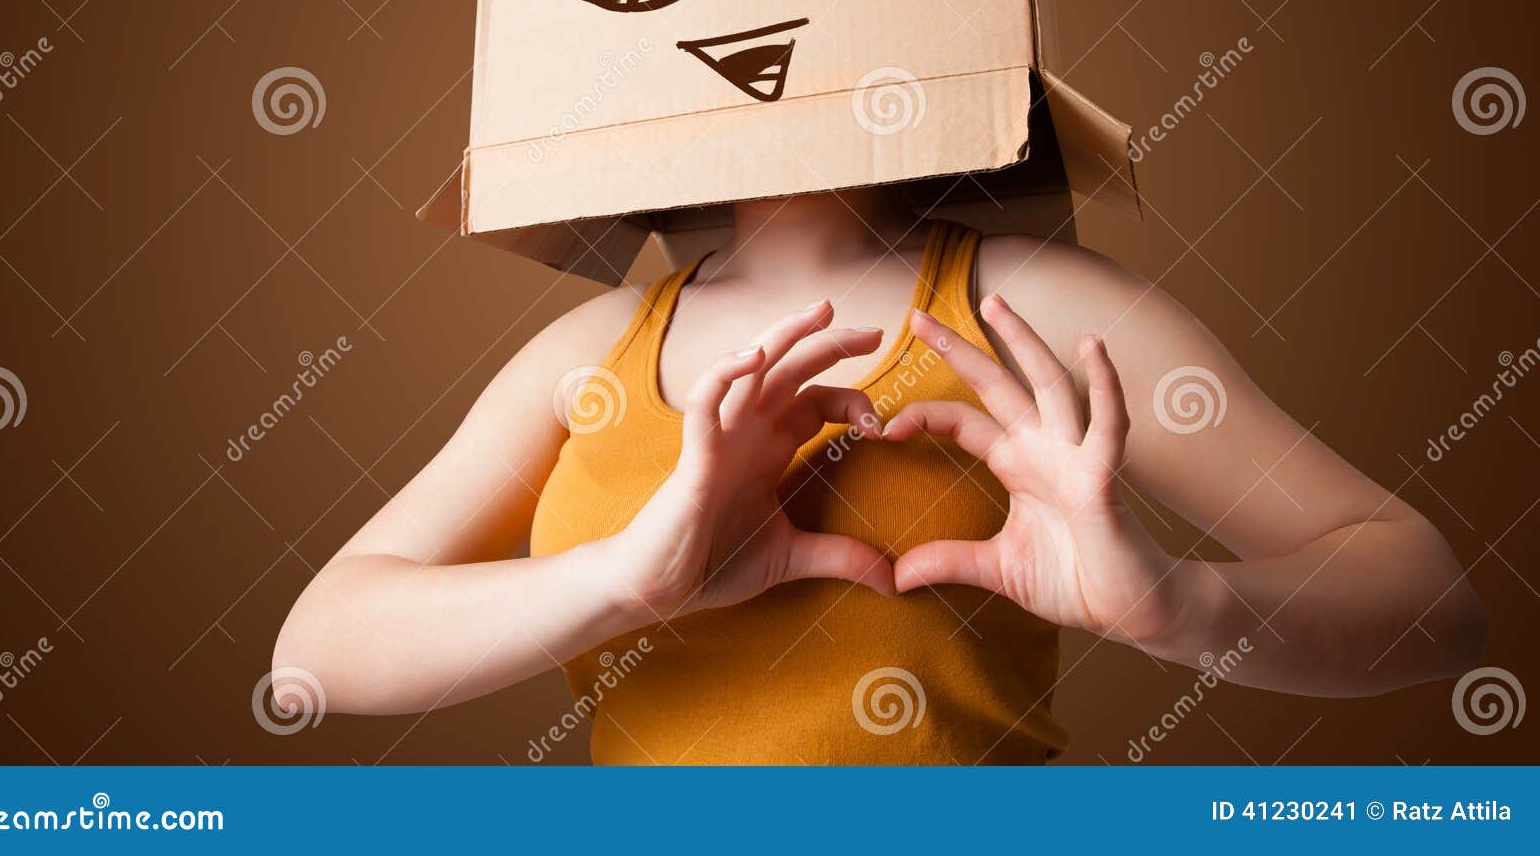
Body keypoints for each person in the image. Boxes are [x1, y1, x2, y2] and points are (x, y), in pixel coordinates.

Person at [272, 189, 1486, 763]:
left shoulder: (1035, 304)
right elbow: (313, 653)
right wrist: (626, 580)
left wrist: (1178, 605)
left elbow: (1432, 600)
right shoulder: (589, 350)